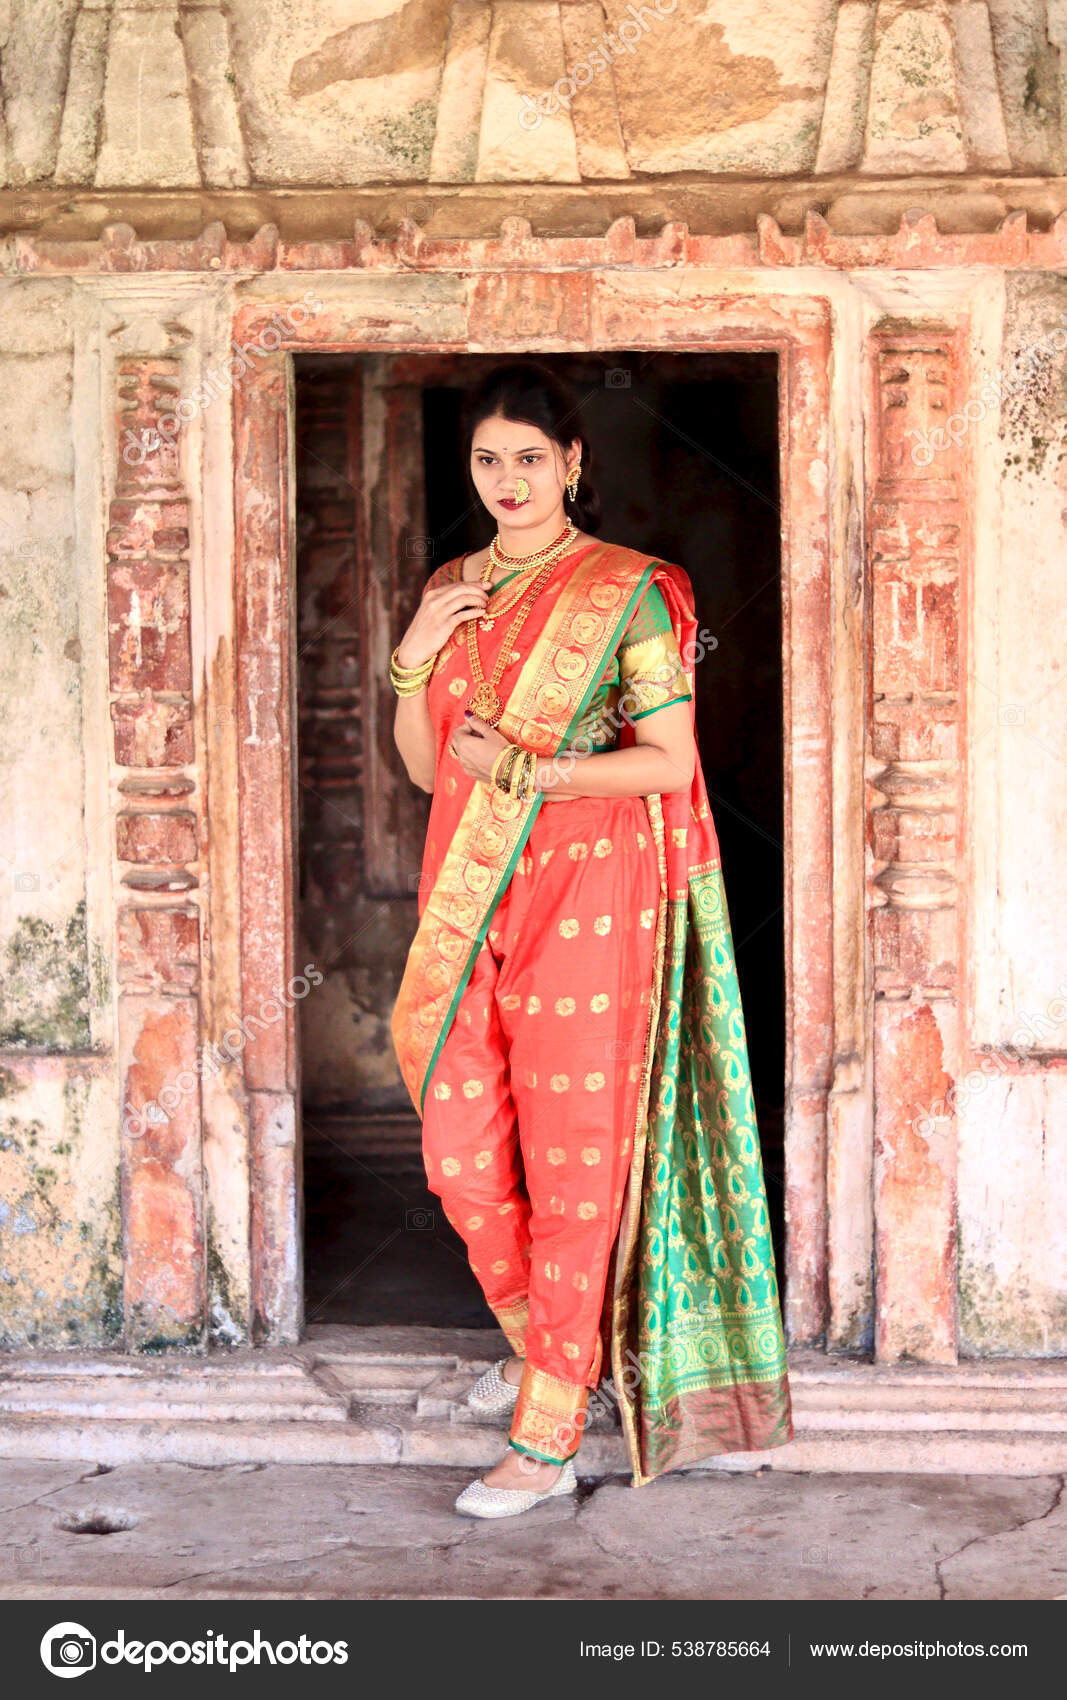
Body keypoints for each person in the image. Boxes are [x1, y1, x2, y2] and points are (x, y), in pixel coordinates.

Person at [390, 360, 793, 1518]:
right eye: (486, 460)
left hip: (589, 886)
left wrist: (527, 767)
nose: (507, 479)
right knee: (459, 1152)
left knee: (572, 1161)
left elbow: (668, 761)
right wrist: (412, 652)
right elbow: (424, 768)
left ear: (571, 463)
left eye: (529, 456)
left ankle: (551, 1420)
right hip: (468, 893)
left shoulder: (629, 591)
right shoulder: (451, 589)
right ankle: (549, 1353)